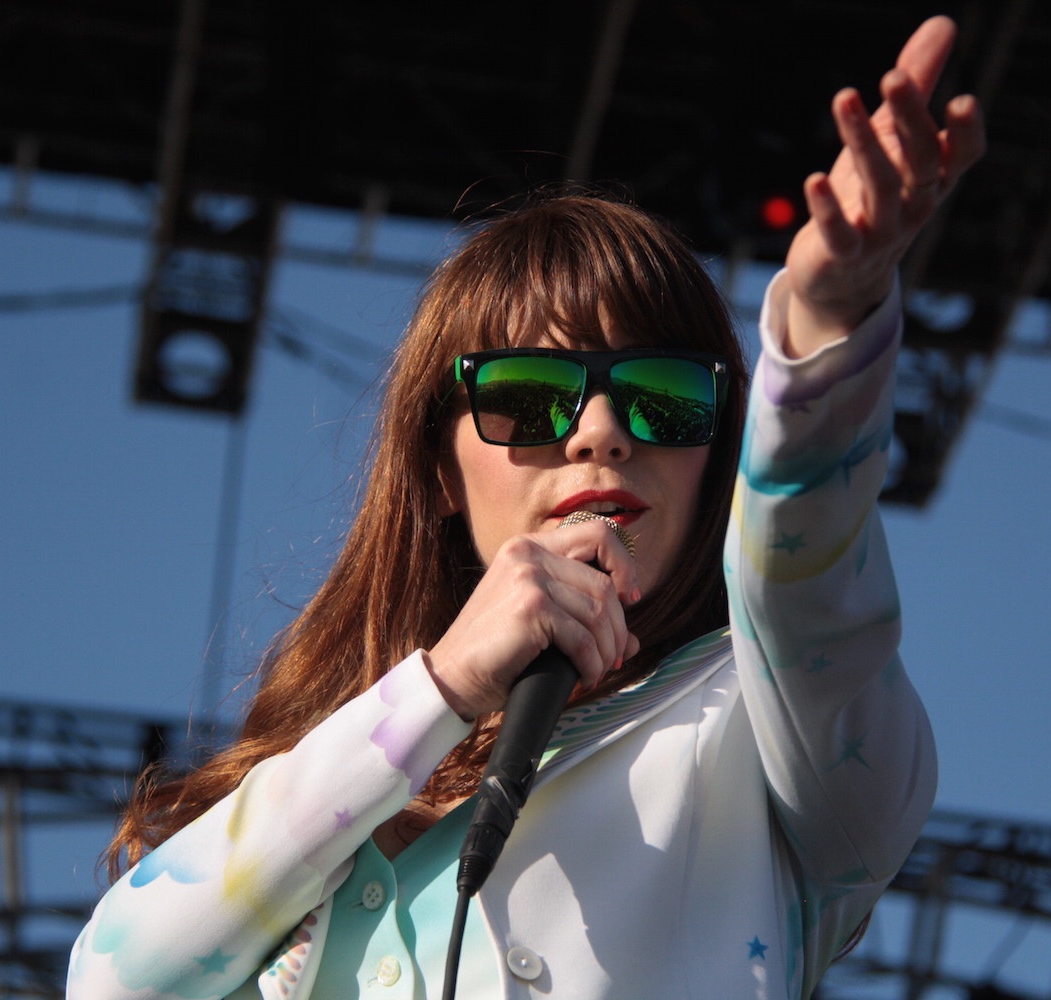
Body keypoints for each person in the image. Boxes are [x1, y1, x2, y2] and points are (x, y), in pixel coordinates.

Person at [68, 15, 985, 999]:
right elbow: (114, 980)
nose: (598, 431)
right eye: (525, 396)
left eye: (664, 396)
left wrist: (825, 327)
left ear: (713, 454)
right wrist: (443, 687)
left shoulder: (773, 732)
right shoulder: (318, 782)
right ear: (435, 467)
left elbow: (814, 586)